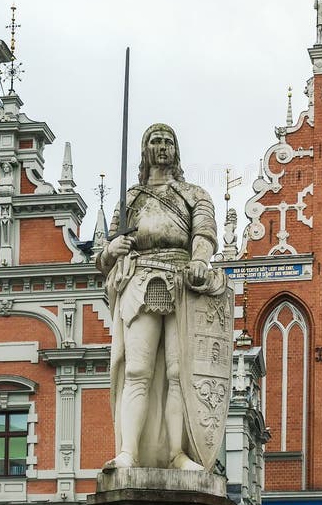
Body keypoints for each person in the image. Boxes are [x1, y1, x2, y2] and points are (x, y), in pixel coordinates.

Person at [97, 123, 226, 471]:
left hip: (184, 283)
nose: (163, 146)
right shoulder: (131, 198)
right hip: (142, 280)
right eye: (156, 141)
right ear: (146, 150)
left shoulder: (193, 194)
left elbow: (204, 234)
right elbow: (103, 258)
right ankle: (128, 452)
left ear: (176, 150)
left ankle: (177, 453)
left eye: (169, 141)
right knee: (137, 370)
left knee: (178, 373)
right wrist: (113, 248)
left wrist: (199, 259)